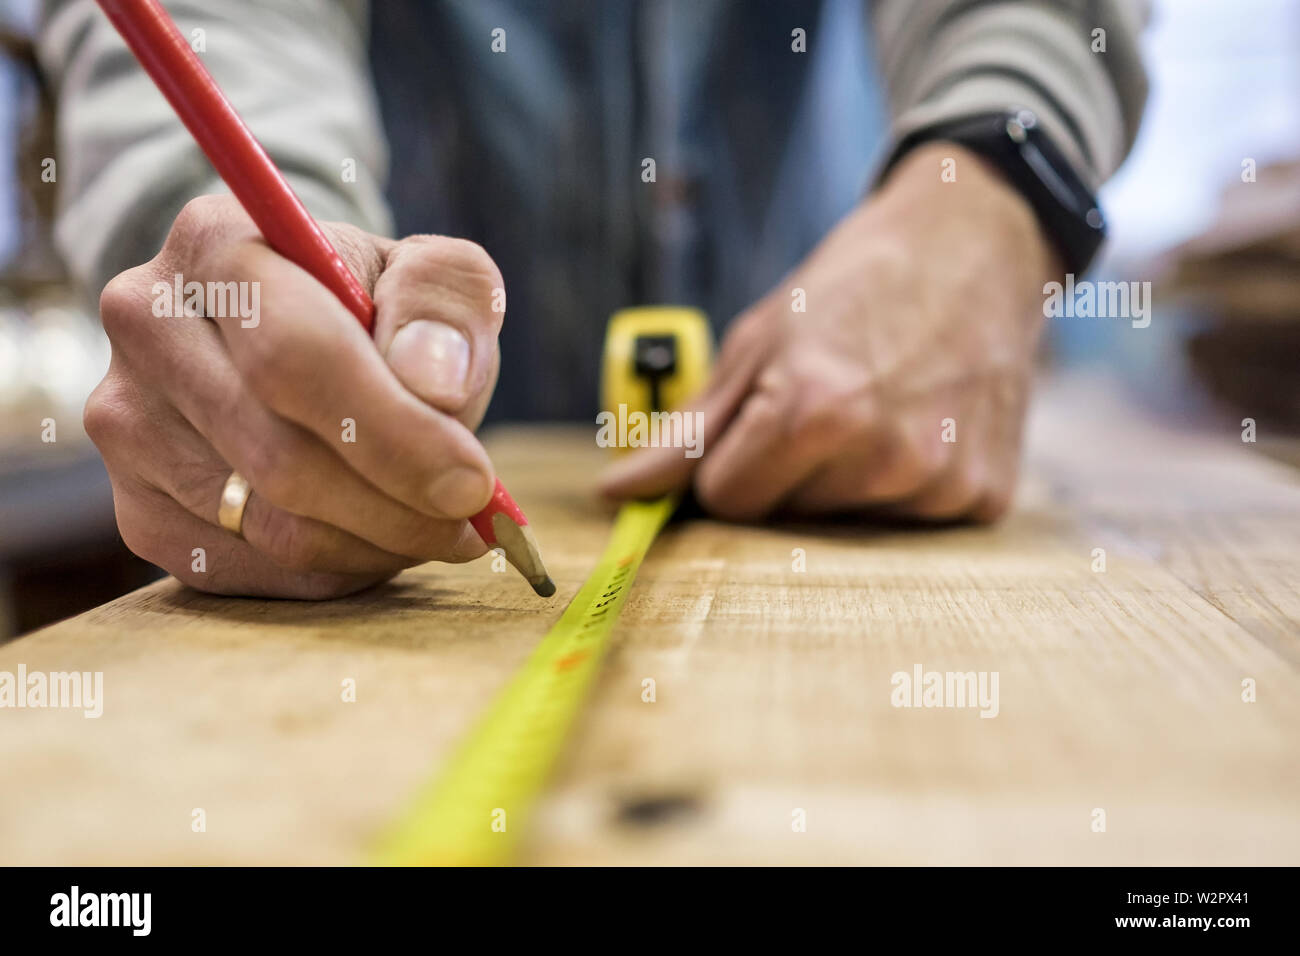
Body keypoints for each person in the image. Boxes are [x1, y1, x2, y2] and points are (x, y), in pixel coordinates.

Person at [35, 0, 1148, 598]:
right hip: (373, 534)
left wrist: (990, 192)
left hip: (872, 453)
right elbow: (213, 34)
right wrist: (247, 294)